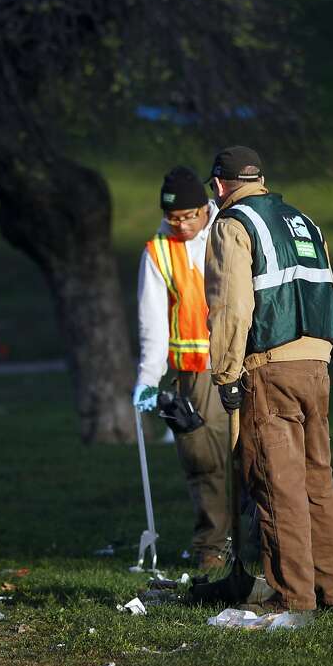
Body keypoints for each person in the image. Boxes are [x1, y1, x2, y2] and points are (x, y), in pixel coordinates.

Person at [203, 145, 333, 613]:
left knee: (277, 483)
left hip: (271, 367)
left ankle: (293, 598)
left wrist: (226, 372)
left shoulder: (233, 224)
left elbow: (233, 305)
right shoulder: (305, 221)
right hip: (318, 362)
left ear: (221, 185)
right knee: (317, 482)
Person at [132, 166, 230, 571]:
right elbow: (152, 323)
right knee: (201, 458)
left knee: (248, 455)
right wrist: (147, 380)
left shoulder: (229, 230)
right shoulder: (158, 251)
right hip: (193, 372)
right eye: (175, 219)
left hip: (241, 361)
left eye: (191, 215)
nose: (184, 225)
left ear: (204, 208)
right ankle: (213, 547)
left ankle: (261, 539)